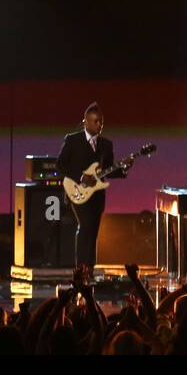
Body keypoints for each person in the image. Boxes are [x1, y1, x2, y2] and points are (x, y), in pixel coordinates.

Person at [56, 103, 124, 273]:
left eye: (101, 122)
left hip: (97, 195)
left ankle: (90, 269)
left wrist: (122, 169)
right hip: (77, 191)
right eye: (95, 121)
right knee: (85, 226)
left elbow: (108, 171)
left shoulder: (106, 144)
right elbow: (60, 165)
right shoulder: (72, 140)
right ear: (86, 122)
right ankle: (81, 268)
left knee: (93, 231)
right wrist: (80, 176)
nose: (99, 125)